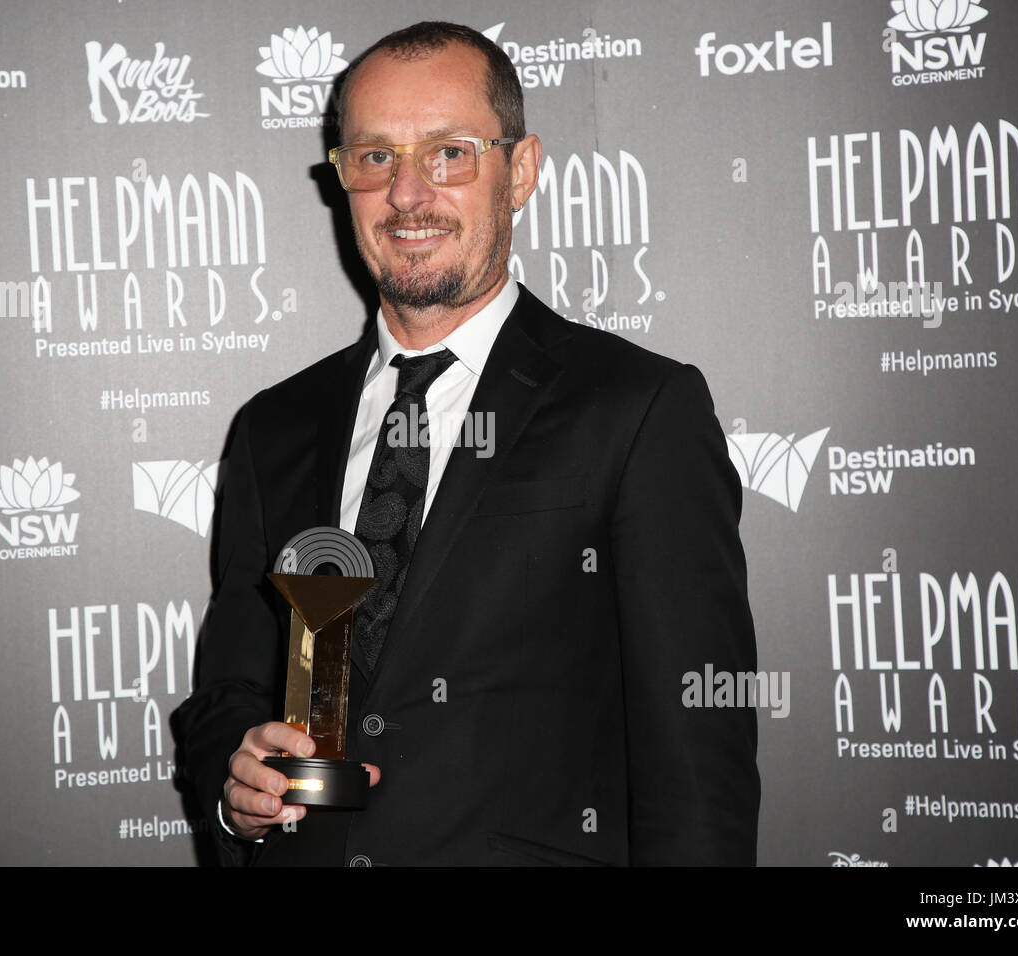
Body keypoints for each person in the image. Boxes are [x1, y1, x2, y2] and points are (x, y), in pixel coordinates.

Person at [170, 21, 759, 866]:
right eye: (374, 157)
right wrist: (239, 789)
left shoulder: (637, 408)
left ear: (518, 172)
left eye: (449, 153)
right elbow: (229, 687)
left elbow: (697, 769)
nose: (408, 193)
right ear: (342, 178)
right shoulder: (274, 427)